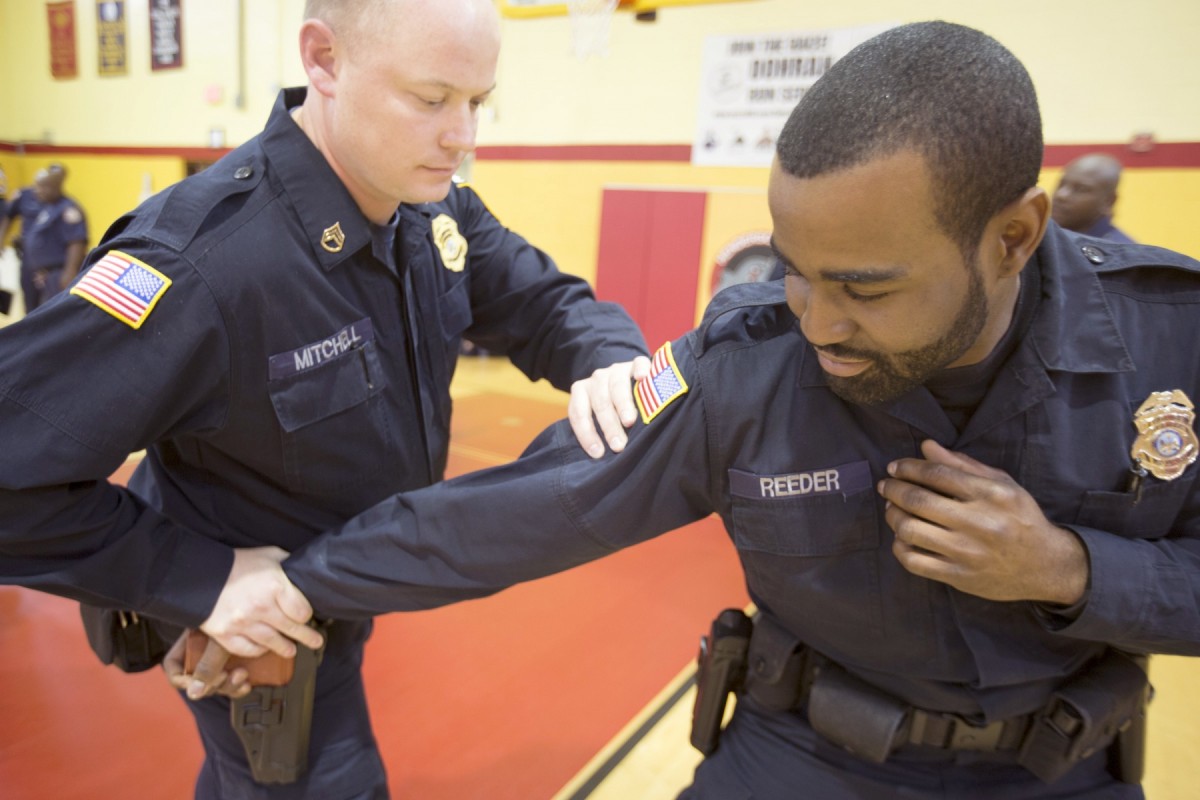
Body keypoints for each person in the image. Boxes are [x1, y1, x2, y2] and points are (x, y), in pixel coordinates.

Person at [191, 20, 1199, 799]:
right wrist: (284, 587)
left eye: (864, 288)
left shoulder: (1174, 341)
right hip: (801, 755)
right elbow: (514, 513)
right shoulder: (743, 366)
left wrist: (1069, 569)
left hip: (1065, 765)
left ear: (1014, 235)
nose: (815, 322)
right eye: (792, 271)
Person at [0, 0, 649, 796]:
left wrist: (613, 361)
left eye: (478, 102)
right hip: (260, 623)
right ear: (324, 60)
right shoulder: (204, 264)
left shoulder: (429, 211)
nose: (464, 137)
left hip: (344, 587)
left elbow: (547, 304)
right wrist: (199, 580)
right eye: (432, 98)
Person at [0, 164, 89, 313]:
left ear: (55, 187)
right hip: (38, 271)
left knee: (53, 313)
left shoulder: (68, 209)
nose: (38, 191)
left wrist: (69, 272)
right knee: (33, 310)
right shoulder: (45, 206)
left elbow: (76, 242)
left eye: (42, 188)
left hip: (57, 273)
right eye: (37, 187)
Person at [1051, 153, 1137, 243]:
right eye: (1061, 184)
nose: (1060, 195)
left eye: (1081, 189)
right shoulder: (1045, 239)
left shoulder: (1121, 252)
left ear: (1108, 202)